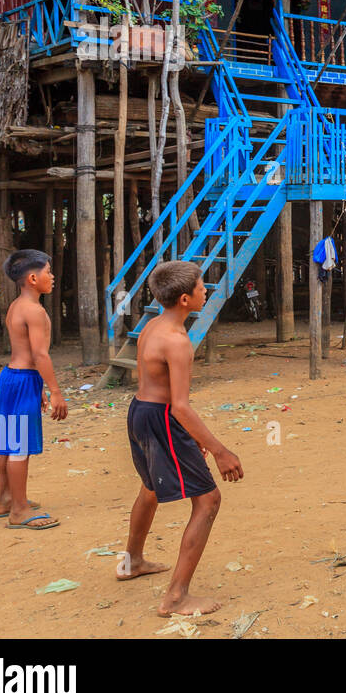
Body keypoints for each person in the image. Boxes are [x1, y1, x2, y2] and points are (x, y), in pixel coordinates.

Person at [123, 260, 243, 616]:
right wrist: (221, 450)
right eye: (201, 286)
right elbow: (179, 408)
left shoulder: (151, 327)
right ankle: (176, 597)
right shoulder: (178, 341)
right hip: (161, 419)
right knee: (208, 501)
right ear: (186, 299)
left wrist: (194, 439)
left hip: (139, 412)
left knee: (150, 489)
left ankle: (132, 561)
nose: (206, 290)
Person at [0, 249, 68, 530]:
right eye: (48, 272)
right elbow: (40, 355)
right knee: (19, 446)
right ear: (33, 278)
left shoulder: (16, 305)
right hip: (23, 379)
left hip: (12, 377)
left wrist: (40, 388)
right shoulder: (34, 310)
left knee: (9, 442)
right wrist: (55, 391)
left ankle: (5, 499)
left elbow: (25, 352)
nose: (52, 276)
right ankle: (19, 511)